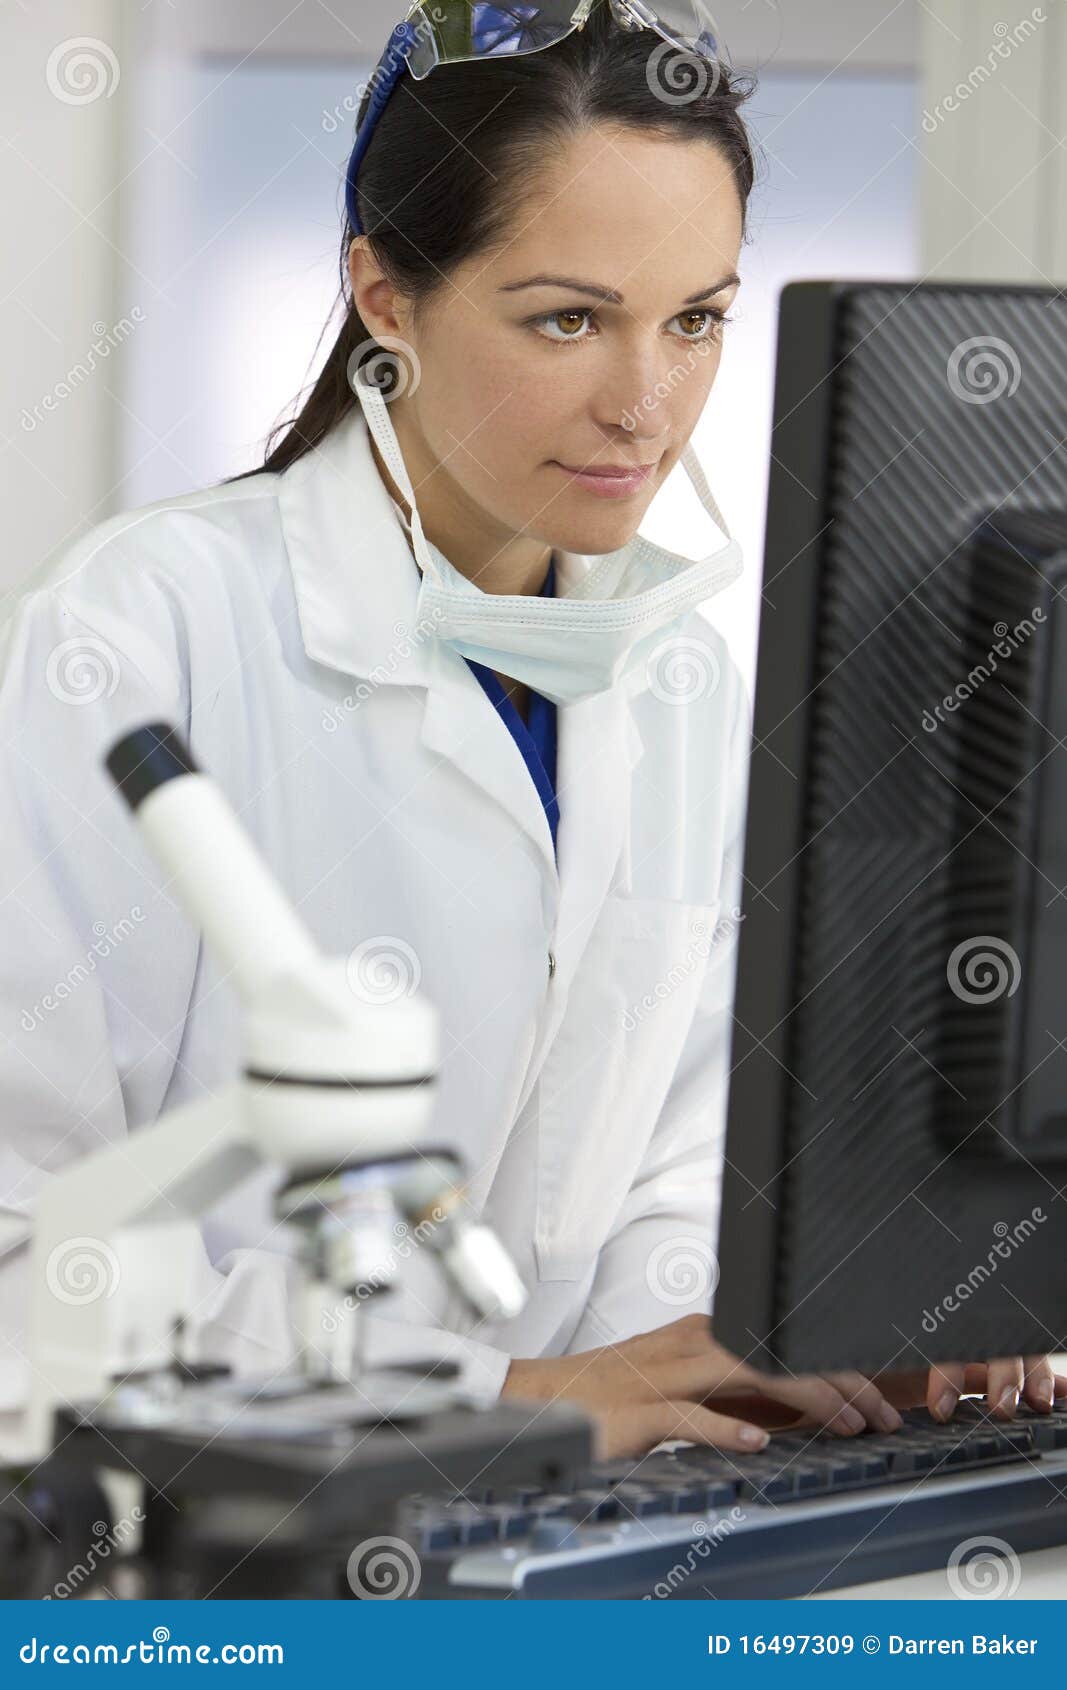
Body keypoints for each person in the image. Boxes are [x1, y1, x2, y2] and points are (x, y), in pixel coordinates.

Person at [1, 0, 1062, 1462]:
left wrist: (764, 1347)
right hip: (203, 1542)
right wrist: (500, 1400)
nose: (647, 404)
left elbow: (679, 1162)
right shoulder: (139, 634)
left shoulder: (674, 671)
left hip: (562, 1521)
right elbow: (18, 1244)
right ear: (384, 296)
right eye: (568, 318)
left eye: (695, 318)